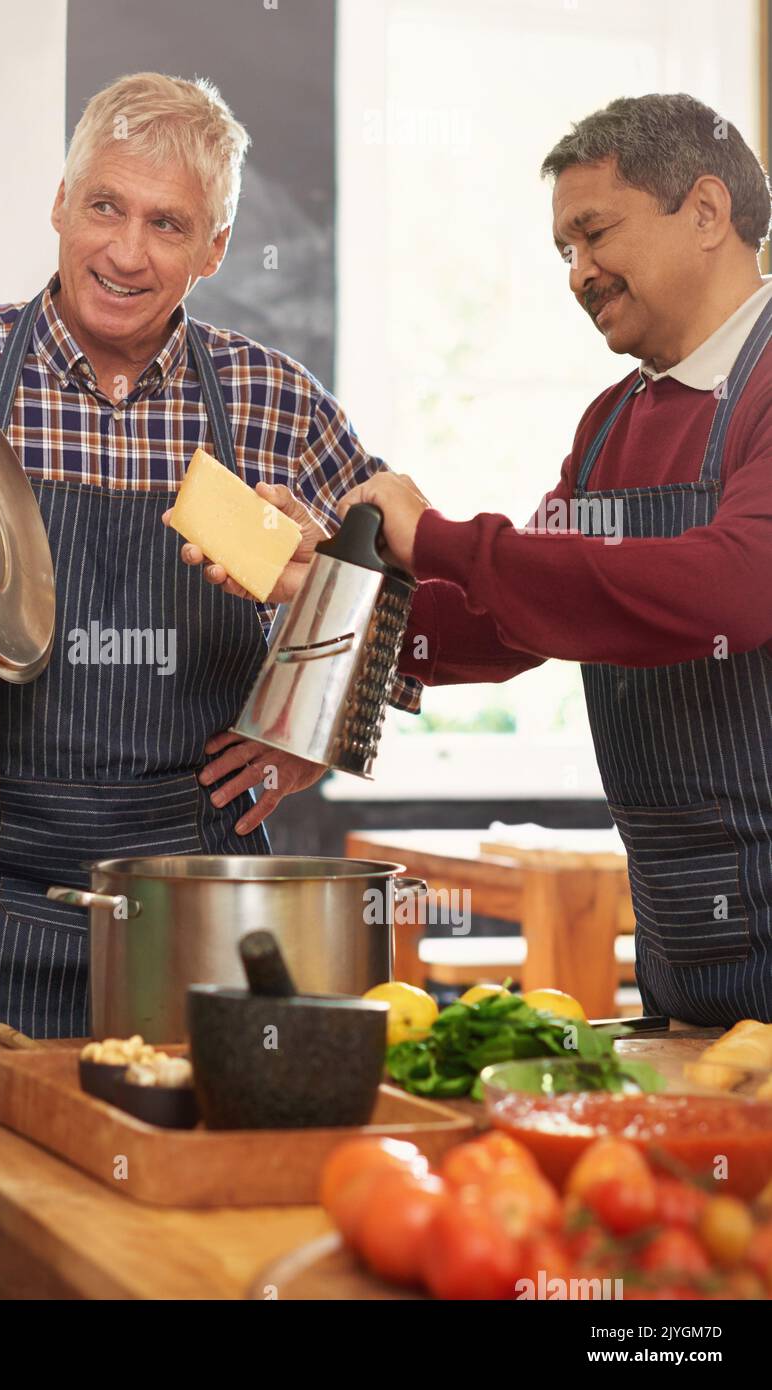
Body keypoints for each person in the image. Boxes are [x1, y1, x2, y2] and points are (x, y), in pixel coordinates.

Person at [0, 71, 417, 1294]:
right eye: (104, 208)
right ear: (60, 203)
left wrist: (310, 707)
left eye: (167, 225)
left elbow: (403, 629)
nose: (124, 251)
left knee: (190, 1247)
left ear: (216, 246)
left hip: (196, 907)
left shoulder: (275, 406)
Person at [190, 93, 772, 1029]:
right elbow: (509, 628)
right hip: (687, 940)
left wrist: (440, 539)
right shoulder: (612, 424)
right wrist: (328, 589)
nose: (578, 273)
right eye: (563, 252)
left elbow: (733, 589)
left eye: (593, 234)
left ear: (706, 212)